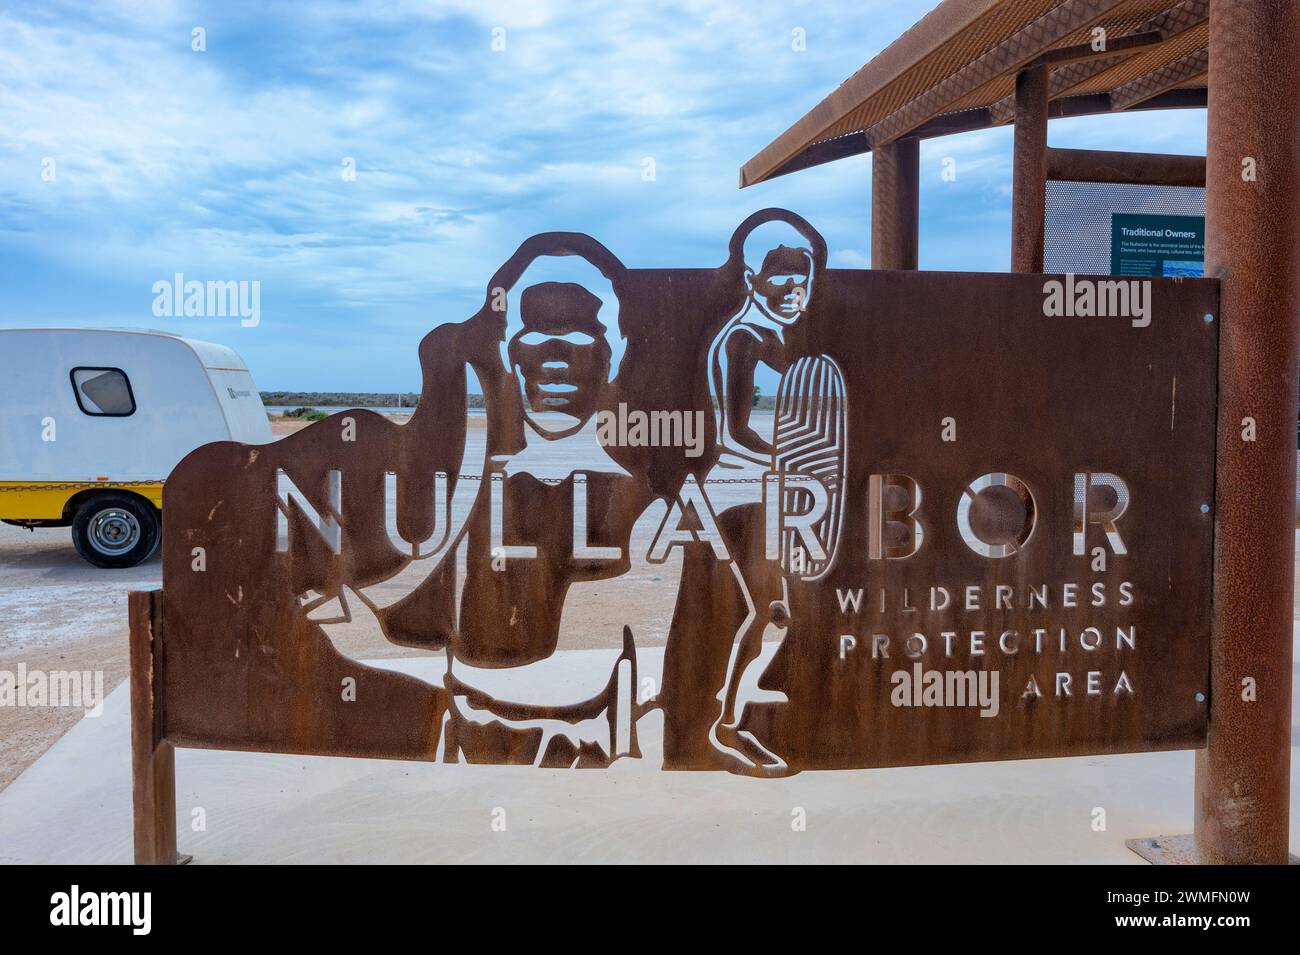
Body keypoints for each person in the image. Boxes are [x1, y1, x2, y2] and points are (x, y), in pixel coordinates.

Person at [699, 209, 846, 775]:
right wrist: (802, 460)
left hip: (764, 488)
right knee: (765, 609)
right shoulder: (744, 339)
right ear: (754, 281)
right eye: (782, 278)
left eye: (803, 281)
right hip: (739, 489)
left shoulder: (773, 337)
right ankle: (727, 726)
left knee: (777, 609)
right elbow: (737, 428)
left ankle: (733, 710)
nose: (794, 291)